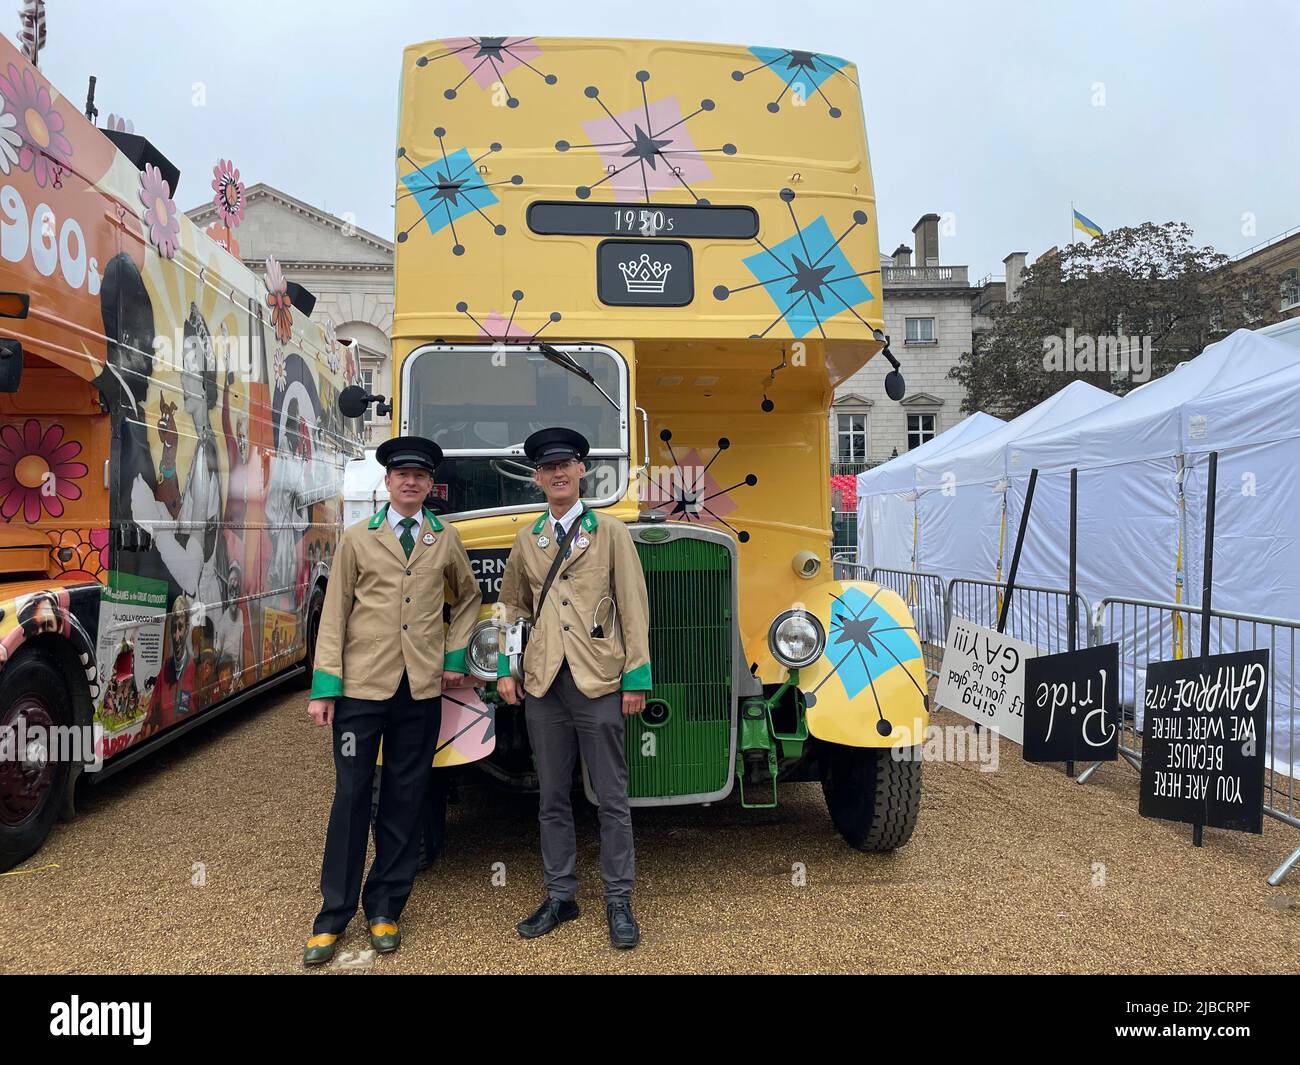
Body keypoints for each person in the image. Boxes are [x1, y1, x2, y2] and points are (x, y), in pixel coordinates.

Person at [303, 435, 481, 966]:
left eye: (420, 476)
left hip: (420, 689)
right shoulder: (359, 539)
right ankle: (333, 916)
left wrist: (453, 657)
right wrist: (324, 688)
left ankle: (386, 907)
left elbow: (468, 597)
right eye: (401, 474)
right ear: (387, 482)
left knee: (406, 799)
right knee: (353, 798)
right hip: (361, 690)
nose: (410, 482)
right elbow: (334, 614)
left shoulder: (444, 538)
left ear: (430, 485)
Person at [496, 427, 652, 949]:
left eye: (567, 464)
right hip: (543, 683)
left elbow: (633, 604)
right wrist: (506, 667)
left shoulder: (609, 532)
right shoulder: (527, 538)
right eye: (548, 467)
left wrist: (636, 677)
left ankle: (618, 900)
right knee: (552, 798)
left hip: (599, 678)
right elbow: (512, 608)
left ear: (582, 470)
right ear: (537, 477)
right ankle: (561, 895)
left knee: (611, 796)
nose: (558, 473)